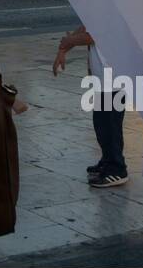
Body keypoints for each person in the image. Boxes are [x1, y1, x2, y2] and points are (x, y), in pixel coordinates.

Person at [54, 25, 127, 188]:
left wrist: (68, 41)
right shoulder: (101, 5)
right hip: (104, 79)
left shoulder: (112, 6)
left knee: (109, 126)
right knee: (103, 124)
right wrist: (64, 47)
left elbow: (96, 34)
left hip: (113, 79)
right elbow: (87, 26)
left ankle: (117, 169)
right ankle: (108, 160)